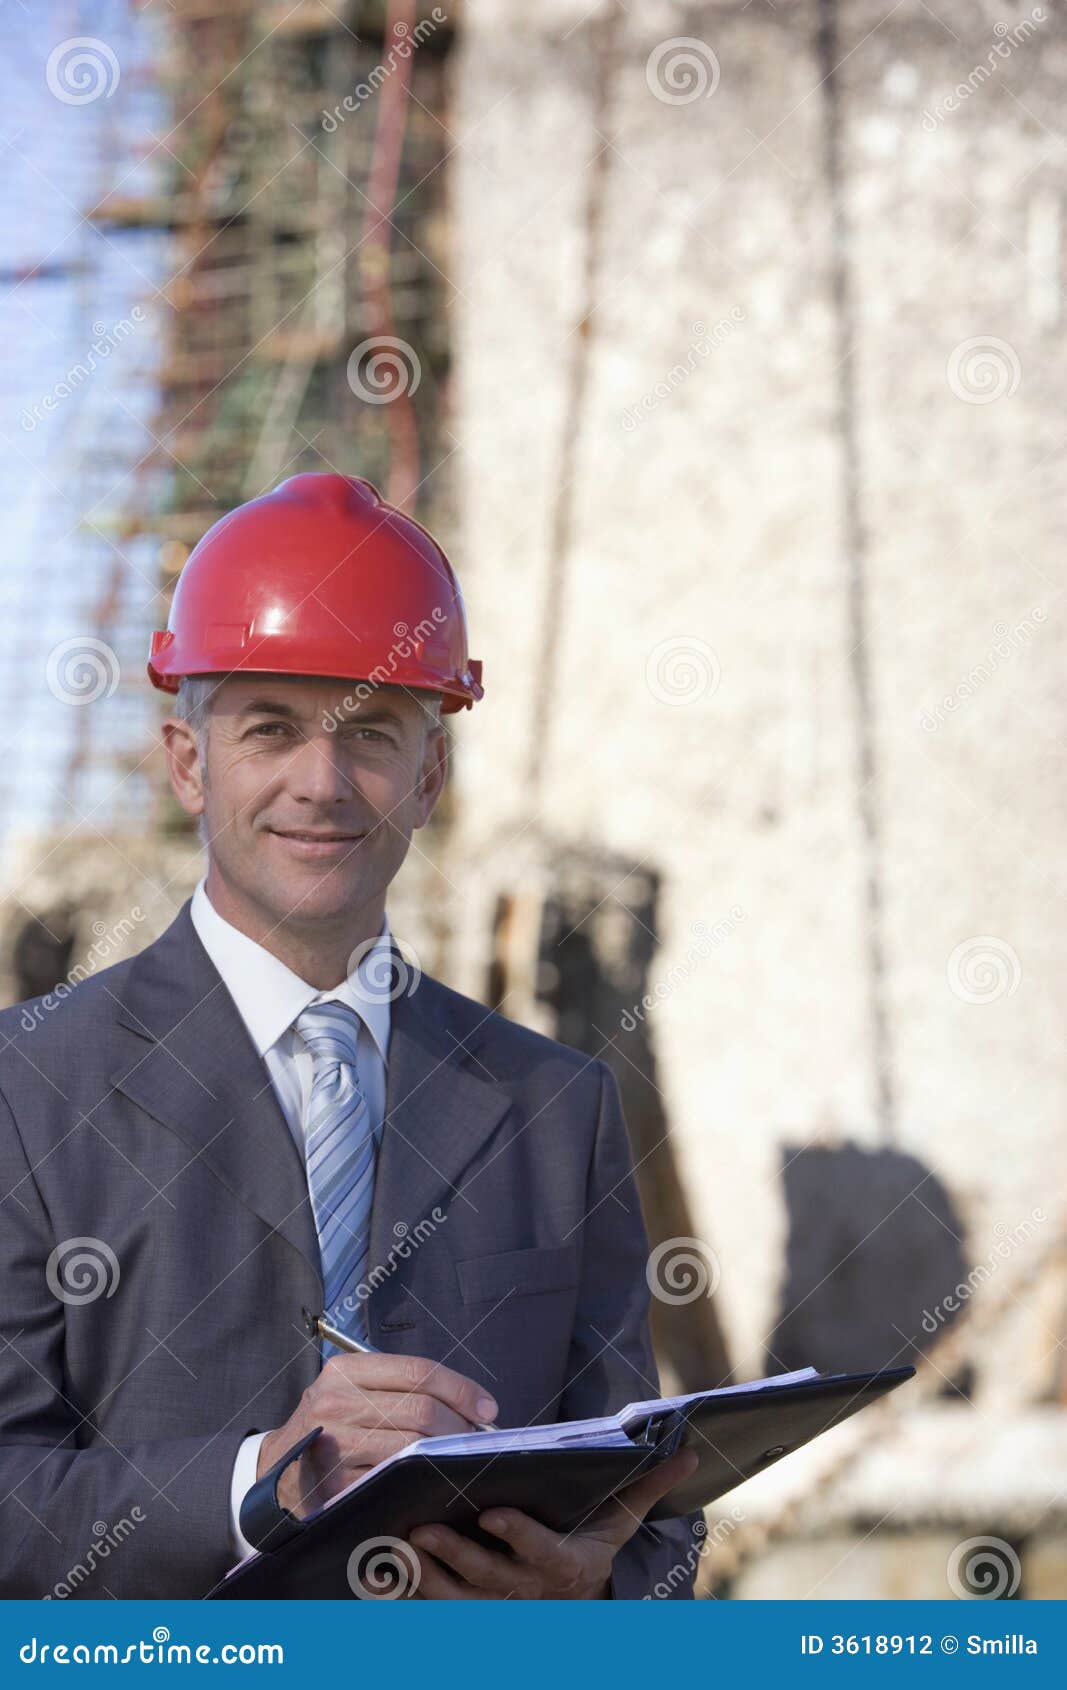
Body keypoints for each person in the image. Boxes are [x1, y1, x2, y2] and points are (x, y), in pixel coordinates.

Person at [0, 474, 701, 1599]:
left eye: (370, 733)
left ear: (430, 775)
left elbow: (648, 1506)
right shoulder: (26, 1089)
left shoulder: (555, 1108)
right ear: (188, 762)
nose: (321, 784)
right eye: (270, 729)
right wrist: (254, 1481)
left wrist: (591, 1590)